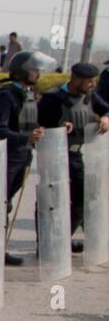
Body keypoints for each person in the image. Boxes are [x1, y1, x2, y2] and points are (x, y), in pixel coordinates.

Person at [0, 49, 57, 266]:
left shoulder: (29, 95)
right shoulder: (6, 96)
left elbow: (31, 123)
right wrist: (27, 137)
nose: (38, 74)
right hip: (7, 157)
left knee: (6, 205)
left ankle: (0, 249)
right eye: (34, 70)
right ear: (22, 72)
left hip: (24, 157)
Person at [37, 62, 109, 254]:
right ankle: (45, 244)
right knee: (50, 201)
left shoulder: (89, 96)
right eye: (89, 81)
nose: (93, 84)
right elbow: (39, 125)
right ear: (76, 81)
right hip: (54, 156)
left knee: (81, 199)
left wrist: (105, 117)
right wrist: (59, 125)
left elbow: (106, 109)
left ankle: (61, 240)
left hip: (76, 155)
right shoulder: (52, 98)